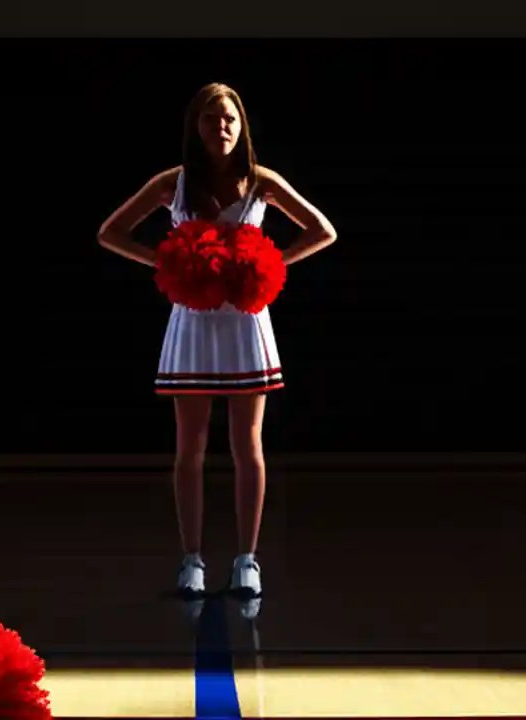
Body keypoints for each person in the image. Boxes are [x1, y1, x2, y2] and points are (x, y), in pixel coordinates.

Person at [97, 82, 336, 600]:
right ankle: (192, 560)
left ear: (241, 125)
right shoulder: (173, 183)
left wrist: (268, 264)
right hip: (194, 320)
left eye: (228, 118)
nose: (220, 127)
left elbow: (323, 230)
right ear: (195, 127)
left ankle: (247, 560)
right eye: (210, 119)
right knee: (190, 447)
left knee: (248, 445)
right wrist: (167, 263)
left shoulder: (261, 181)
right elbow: (110, 232)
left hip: (246, 320)